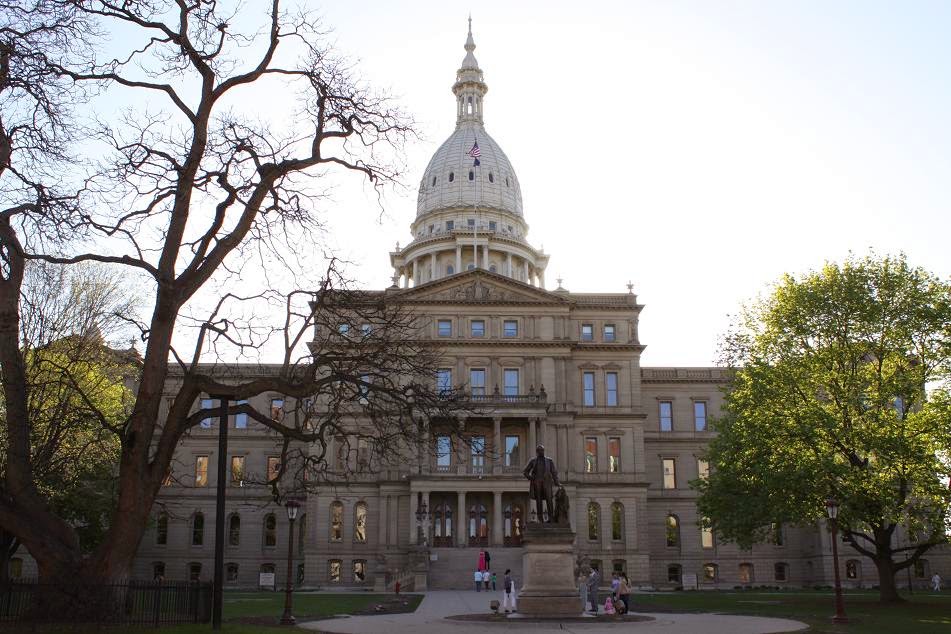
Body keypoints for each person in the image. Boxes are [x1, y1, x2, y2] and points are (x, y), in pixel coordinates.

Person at [523, 445, 560, 523]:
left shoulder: (549, 461)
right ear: (537, 452)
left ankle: (551, 518)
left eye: (542, 450)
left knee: (549, 500)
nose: (541, 452)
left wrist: (557, 482)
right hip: (537, 483)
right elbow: (525, 472)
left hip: (547, 483)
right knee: (538, 501)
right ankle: (540, 519)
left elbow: (554, 472)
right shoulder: (533, 461)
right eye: (539, 450)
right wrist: (531, 478)